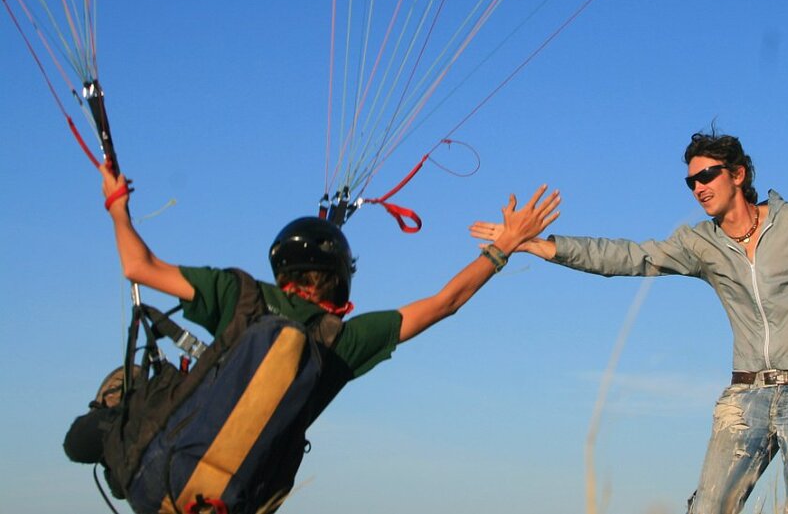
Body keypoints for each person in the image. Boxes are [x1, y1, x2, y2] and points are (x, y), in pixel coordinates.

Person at [470, 131, 788, 514]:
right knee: (708, 508)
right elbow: (630, 256)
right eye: (691, 181)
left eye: (707, 176)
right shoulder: (699, 243)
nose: (698, 188)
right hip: (746, 395)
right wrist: (543, 246)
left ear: (737, 174)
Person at [77, 161, 559, 507]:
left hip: (157, 473)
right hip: (231, 500)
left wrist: (117, 206)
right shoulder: (343, 341)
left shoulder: (237, 294)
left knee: (123, 394)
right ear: (341, 275)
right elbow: (444, 303)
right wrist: (504, 247)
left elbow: (137, 266)